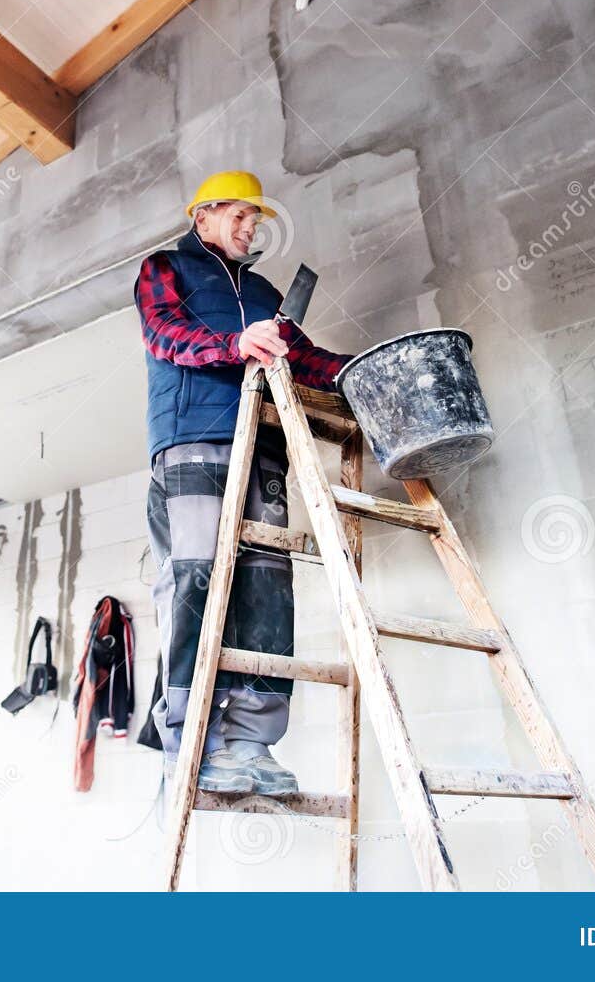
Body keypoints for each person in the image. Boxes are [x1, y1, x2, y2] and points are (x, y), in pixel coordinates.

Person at [135, 170, 351, 796]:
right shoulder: (166, 268)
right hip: (194, 438)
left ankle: (252, 741)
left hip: (264, 446)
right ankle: (191, 739)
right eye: (240, 215)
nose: (251, 228)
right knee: (197, 578)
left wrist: (356, 371)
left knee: (267, 587)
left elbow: (303, 358)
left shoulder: (261, 292)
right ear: (202, 215)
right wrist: (237, 343)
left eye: (256, 219)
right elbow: (165, 334)